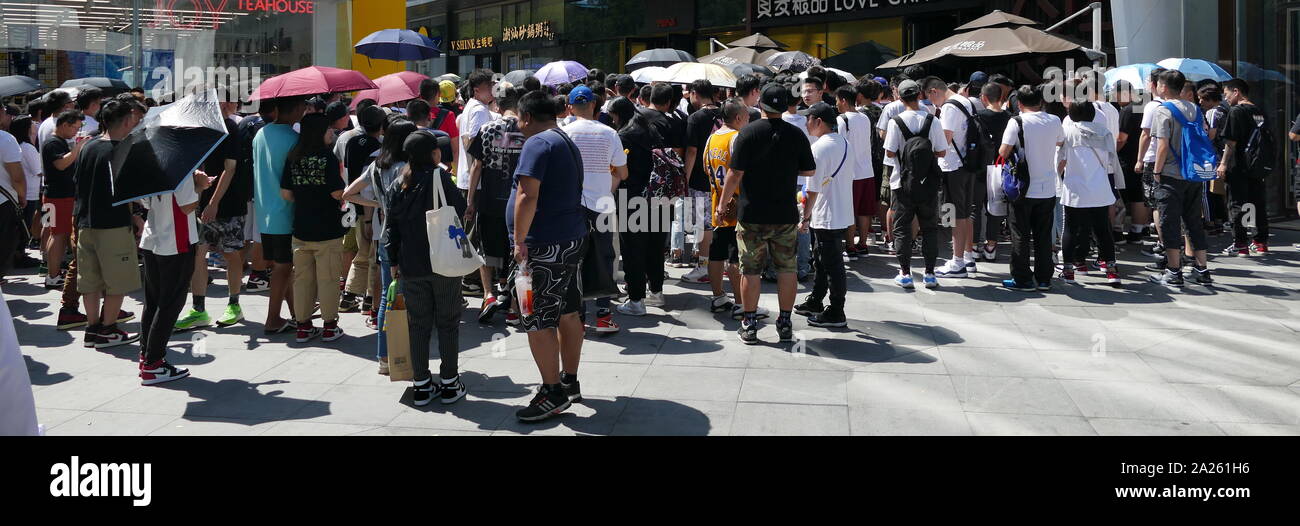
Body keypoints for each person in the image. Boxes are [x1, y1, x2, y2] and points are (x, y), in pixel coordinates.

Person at [509, 91, 589, 422]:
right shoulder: (562, 139)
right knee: (568, 313)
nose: (516, 122)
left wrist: (518, 239)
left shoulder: (537, 143)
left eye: (517, 117)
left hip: (542, 247)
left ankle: (552, 391)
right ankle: (568, 380)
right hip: (568, 241)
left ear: (526, 117)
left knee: (535, 318)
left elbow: (527, 195)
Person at [716, 84, 815, 345]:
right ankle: (784, 321)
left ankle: (749, 323)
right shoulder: (797, 134)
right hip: (784, 212)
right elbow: (809, 171)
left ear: (761, 105)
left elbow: (735, 174)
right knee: (787, 268)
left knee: (750, 270)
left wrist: (722, 204)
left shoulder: (747, 134)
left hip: (751, 213)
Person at [385, 130, 468, 406]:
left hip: (410, 264)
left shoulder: (400, 182)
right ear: (434, 154)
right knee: (448, 323)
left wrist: (393, 261)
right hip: (442, 263)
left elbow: (392, 226)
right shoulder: (440, 176)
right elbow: (461, 206)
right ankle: (449, 383)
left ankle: (421, 385)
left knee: (418, 325)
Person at [344, 119, 418, 375]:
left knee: (388, 294)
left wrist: (380, 206)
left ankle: (384, 356)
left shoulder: (377, 165)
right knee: (411, 293)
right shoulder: (407, 168)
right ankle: (406, 353)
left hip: (386, 235)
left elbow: (348, 193)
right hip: (409, 238)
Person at [73, 98, 145, 348]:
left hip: (85, 222)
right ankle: (108, 329)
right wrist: (134, 215)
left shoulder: (88, 147)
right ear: (127, 121)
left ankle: (92, 328)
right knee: (118, 281)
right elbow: (127, 192)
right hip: (112, 225)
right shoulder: (121, 149)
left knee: (90, 281)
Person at [561, 85, 627, 334]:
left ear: (570, 107)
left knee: (574, 259)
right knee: (603, 258)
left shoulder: (565, 133)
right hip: (601, 205)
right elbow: (622, 171)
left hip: (572, 206)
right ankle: (603, 315)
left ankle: (577, 315)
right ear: (593, 105)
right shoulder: (609, 133)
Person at [138, 159, 210, 385]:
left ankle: (147, 358)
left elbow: (146, 203)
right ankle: (153, 363)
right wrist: (200, 185)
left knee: (154, 301)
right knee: (170, 303)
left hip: (153, 238)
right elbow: (187, 205)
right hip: (176, 241)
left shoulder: (148, 165)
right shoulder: (181, 166)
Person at [279, 113, 347, 343]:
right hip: (327, 227)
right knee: (328, 279)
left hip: (301, 227)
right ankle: (329, 326)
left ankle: (303, 326)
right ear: (319, 132)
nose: (332, 133)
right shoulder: (327, 158)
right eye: (329, 129)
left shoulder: (293, 156)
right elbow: (337, 192)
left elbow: (286, 193)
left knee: (302, 280)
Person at [176, 99, 241, 331]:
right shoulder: (200, 128)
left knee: (230, 253)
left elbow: (230, 168)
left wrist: (214, 202)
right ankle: (198, 309)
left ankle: (234, 304)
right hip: (200, 201)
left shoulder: (230, 128)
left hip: (228, 203)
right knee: (198, 255)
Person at [466, 86, 527, 326]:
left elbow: (476, 167)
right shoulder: (526, 131)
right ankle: (514, 308)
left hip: (490, 200)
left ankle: (488, 295)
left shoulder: (487, 129)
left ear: (498, 106)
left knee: (487, 251)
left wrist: (470, 201)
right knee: (518, 251)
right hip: (518, 202)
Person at [1149, 70, 1213, 287]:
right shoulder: (1195, 108)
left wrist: (1156, 171)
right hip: (1194, 174)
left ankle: (1173, 271)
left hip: (1171, 174)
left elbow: (1162, 146)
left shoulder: (1163, 110)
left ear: (1164, 87)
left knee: (1169, 222)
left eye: (1158, 84)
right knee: (1194, 221)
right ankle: (1201, 269)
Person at [794, 102, 854, 328]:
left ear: (818, 121)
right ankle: (816, 300)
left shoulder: (819, 148)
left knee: (831, 263)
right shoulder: (844, 143)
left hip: (826, 212)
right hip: (841, 211)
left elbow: (812, 189)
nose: (805, 122)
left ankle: (836, 310)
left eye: (807, 118)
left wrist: (805, 218)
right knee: (822, 259)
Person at [998, 85, 1064, 292]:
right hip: (1048, 187)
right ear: (1041, 101)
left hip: (1022, 189)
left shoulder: (1016, 121)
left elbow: (1003, 150)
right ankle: (1044, 278)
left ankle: (1022, 279)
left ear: (1019, 103)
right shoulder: (1054, 120)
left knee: (1020, 234)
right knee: (1044, 236)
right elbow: (1060, 142)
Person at [883, 80, 947, 289]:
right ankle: (929, 274)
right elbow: (942, 152)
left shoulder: (896, 121)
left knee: (902, 229)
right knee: (929, 228)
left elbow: (890, 152)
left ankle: (905, 273)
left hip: (901, 183)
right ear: (920, 95)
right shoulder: (932, 120)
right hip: (928, 183)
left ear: (900, 98)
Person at [703, 98, 763, 319]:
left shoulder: (712, 138)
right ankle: (740, 303)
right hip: (736, 204)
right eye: (747, 116)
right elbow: (740, 171)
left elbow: (706, 168)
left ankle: (718, 296)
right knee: (736, 257)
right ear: (738, 117)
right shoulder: (737, 138)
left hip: (716, 203)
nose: (748, 120)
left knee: (716, 253)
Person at [611, 96, 668, 317]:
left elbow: (618, 170)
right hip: (658, 197)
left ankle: (636, 300)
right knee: (654, 246)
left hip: (632, 198)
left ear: (618, 115)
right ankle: (657, 292)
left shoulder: (624, 136)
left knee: (633, 249)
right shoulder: (650, 130)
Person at [252, 96, 305, 334]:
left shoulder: (261, 134)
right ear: (294, 110)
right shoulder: (295, 140)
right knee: (283, 268)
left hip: (264, 211)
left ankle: (296, 313)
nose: (304, 110)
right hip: (285, 212)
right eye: (303, 106)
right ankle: (273, 318)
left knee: (283, 266)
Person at [1057, 102, 1122, 287]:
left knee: (1071, 228)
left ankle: (1069, 270)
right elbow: (1111, 159)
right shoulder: (1105, 132)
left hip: (1075, 188)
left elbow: (1060, 161)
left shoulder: (1068, 132)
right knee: (1103, 230)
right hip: (1100, 187)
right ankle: (1111, 270)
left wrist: (1058, 177)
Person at [930, 76, 984, 279]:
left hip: (953, 166)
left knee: (954, 214)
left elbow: (945, 140)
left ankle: (957, 262)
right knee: (964, 212)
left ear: (934, 91)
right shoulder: (965, 101)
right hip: (967, 164)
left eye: (930, 97)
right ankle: (967, 257)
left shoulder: (949, 107)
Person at [338, 105, 386, 315]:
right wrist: (369, 217)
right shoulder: (376, 148)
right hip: (367, 207)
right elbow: (368, 187)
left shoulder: (351, 142)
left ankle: (354, 296)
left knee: (363, 252)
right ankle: (366, 298)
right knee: (369, 254)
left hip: (353, 203)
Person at [1217, 78, 1271, 256]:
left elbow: (1231, 142)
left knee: (1237, 203)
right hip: (1257, 164)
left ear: (1236, 92)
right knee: (1256, 202)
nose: (1225, 98)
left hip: (1239, 164)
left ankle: (1240, 243)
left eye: (1226, 94)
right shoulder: (1259, 110)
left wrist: (1223, 163)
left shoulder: (1236, 111)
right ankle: (1260, 242)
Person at [681, 79, 721, 284]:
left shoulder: (695, 118)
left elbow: (691, 151)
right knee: (719, 224)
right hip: (725, 179)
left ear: (695, 93)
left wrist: (684, 179)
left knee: (704, 225)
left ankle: (704, 267)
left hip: (700, 178)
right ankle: (717, 264)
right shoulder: (726, 113)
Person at [40, 111, 83, 296]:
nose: (76, 131)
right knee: (58, 235)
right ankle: (53, 275)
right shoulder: (53, 142)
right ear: (65, 124)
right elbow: (61, 164)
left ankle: (52, 272)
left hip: (52, 195)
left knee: (54, 233)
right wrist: (78, 148)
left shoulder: (55, 141)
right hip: (59, 197)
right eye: (74, 127)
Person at [973, 83, 1013, 262]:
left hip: (979, 167)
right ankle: (991, 246)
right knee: (995, 209)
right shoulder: (1010, 118)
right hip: (1002, 167)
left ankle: (974, 246)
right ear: (1002, 97)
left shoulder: (977, 117)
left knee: (975, 208)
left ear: (983, 98)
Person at [835, 86, 875, 259]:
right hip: (867, 170)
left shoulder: (841, 120)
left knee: (850, 210)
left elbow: (840, 146)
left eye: (837, 100)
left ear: (843, 100)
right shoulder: (865, 117)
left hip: (850, 174)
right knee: (864, 211)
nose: (836, 104)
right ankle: (863, 244)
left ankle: (850, 247)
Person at [1115, 80, 1152, 245]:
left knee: (1124, 196)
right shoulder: (1146, 107)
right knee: (1140, 195)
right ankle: (1140, 228)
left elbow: (1121, 138)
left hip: (1128, 158)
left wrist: (1113, 151)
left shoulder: (1127, 110)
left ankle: (1126, 230)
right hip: (1144, 156)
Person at [457, 70, 496, 194]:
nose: (493, 90)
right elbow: (474, 145)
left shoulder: (472, 105)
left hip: (469, 179)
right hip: (475, 182)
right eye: (489, 86)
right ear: (476, 90)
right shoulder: (479, 110)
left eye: (493, 85)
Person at [0, 106, 27, 281]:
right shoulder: (5, 139)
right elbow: (17, 177)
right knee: (3, 246)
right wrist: (22, 196)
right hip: (3, 201)